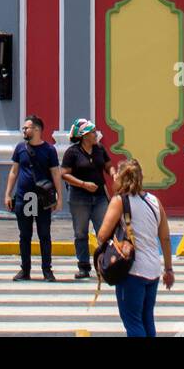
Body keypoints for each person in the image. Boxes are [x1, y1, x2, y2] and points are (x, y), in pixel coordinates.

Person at [96, 158, 174, 338]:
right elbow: (165, 238)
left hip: (131, 271)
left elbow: (102, 235)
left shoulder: (119, 201)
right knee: (147, 319)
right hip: (152, 270)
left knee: (132, 322)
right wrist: (168, 269)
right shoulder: (155, 201)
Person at [5, 115, 62, 283]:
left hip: (42, 198)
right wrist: (8, 193)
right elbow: (14, 171)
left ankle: (47, 270)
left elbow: (55, 173)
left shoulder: (49, 150)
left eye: (27, 128)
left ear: (37, 129)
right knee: (25, 235)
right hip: (24, 197)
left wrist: (59, 197)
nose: (24, 131)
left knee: (44, 234)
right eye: (24, 128)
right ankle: (25, 269)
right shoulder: (20, 148)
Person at [61, 117, 115, 279]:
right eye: (92, 132)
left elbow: (108, 165)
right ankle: (83, 266)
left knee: (105, 232)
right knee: (81, 232)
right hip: (79, 198)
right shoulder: (72, 152)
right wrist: (83, 184)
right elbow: (64, 174)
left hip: (99, 197)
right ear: (84, 135)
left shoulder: (99, 149)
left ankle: (106, 265)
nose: (96, 134)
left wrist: (114, 173)